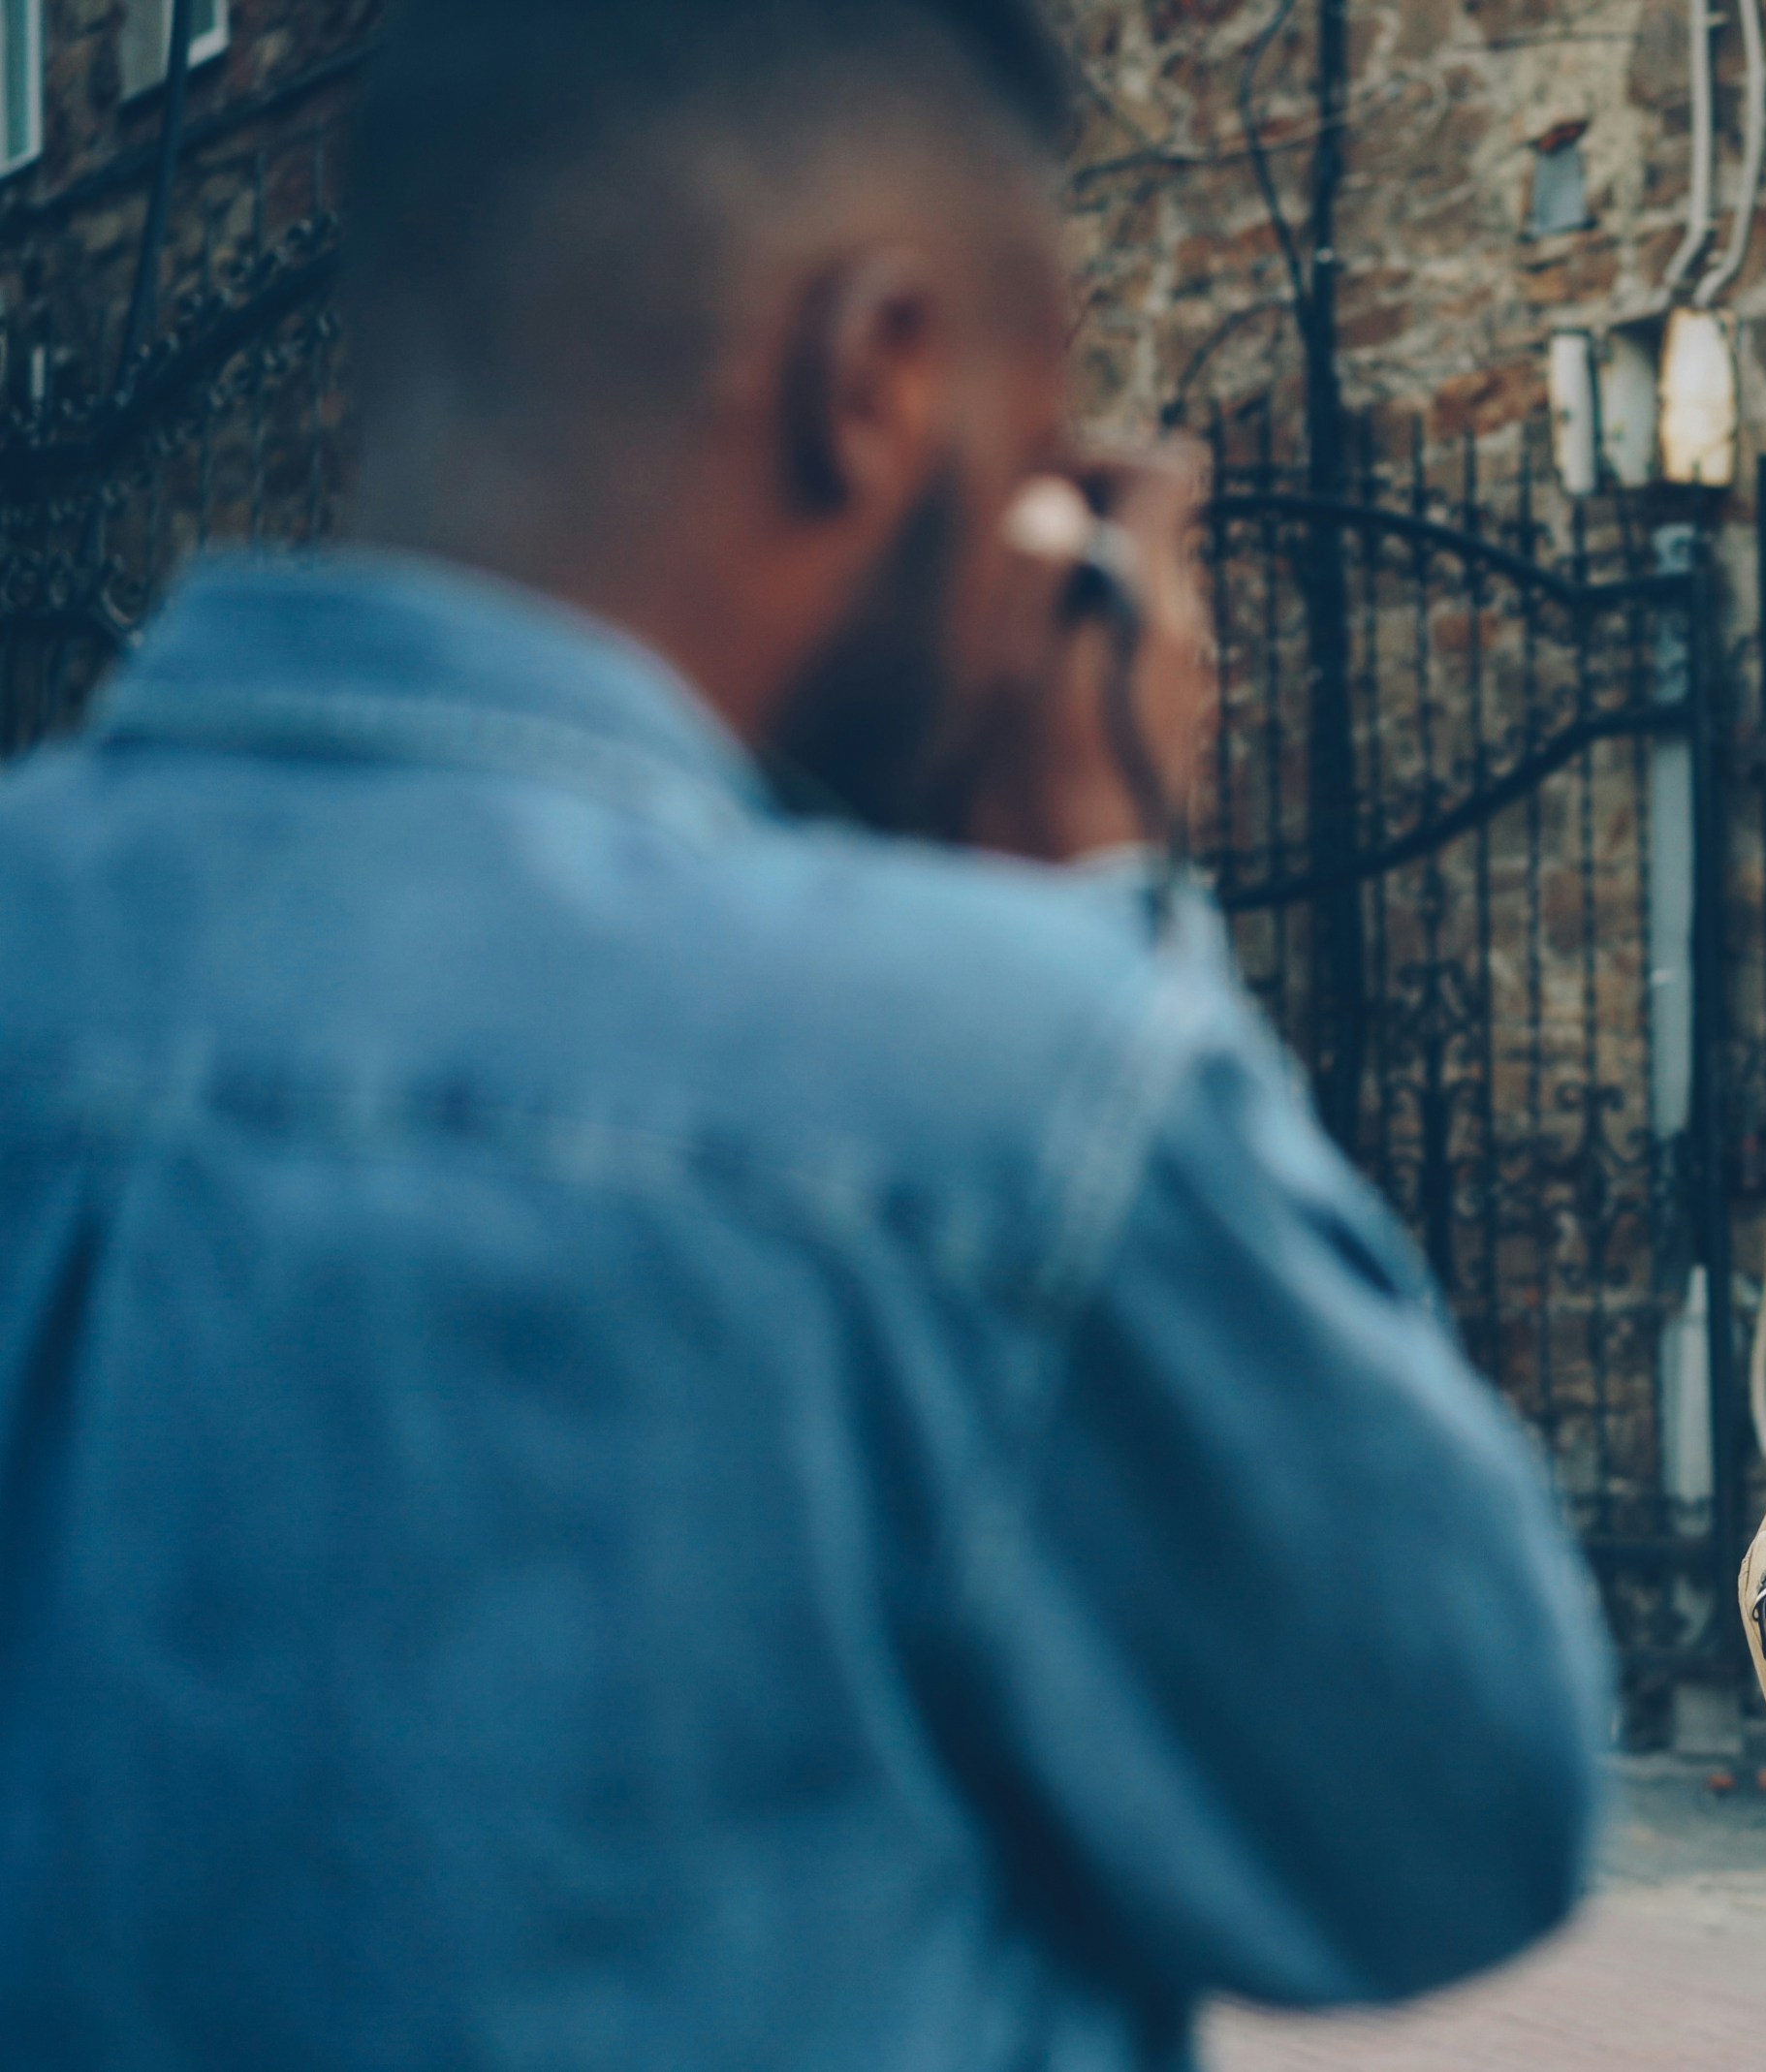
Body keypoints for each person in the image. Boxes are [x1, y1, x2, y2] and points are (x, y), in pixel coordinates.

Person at [0, 3, 1610, 2066]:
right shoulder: (984, 1082)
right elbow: (1449, 1822)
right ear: (870, 383)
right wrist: (1095, 899)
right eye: (1039, 449)